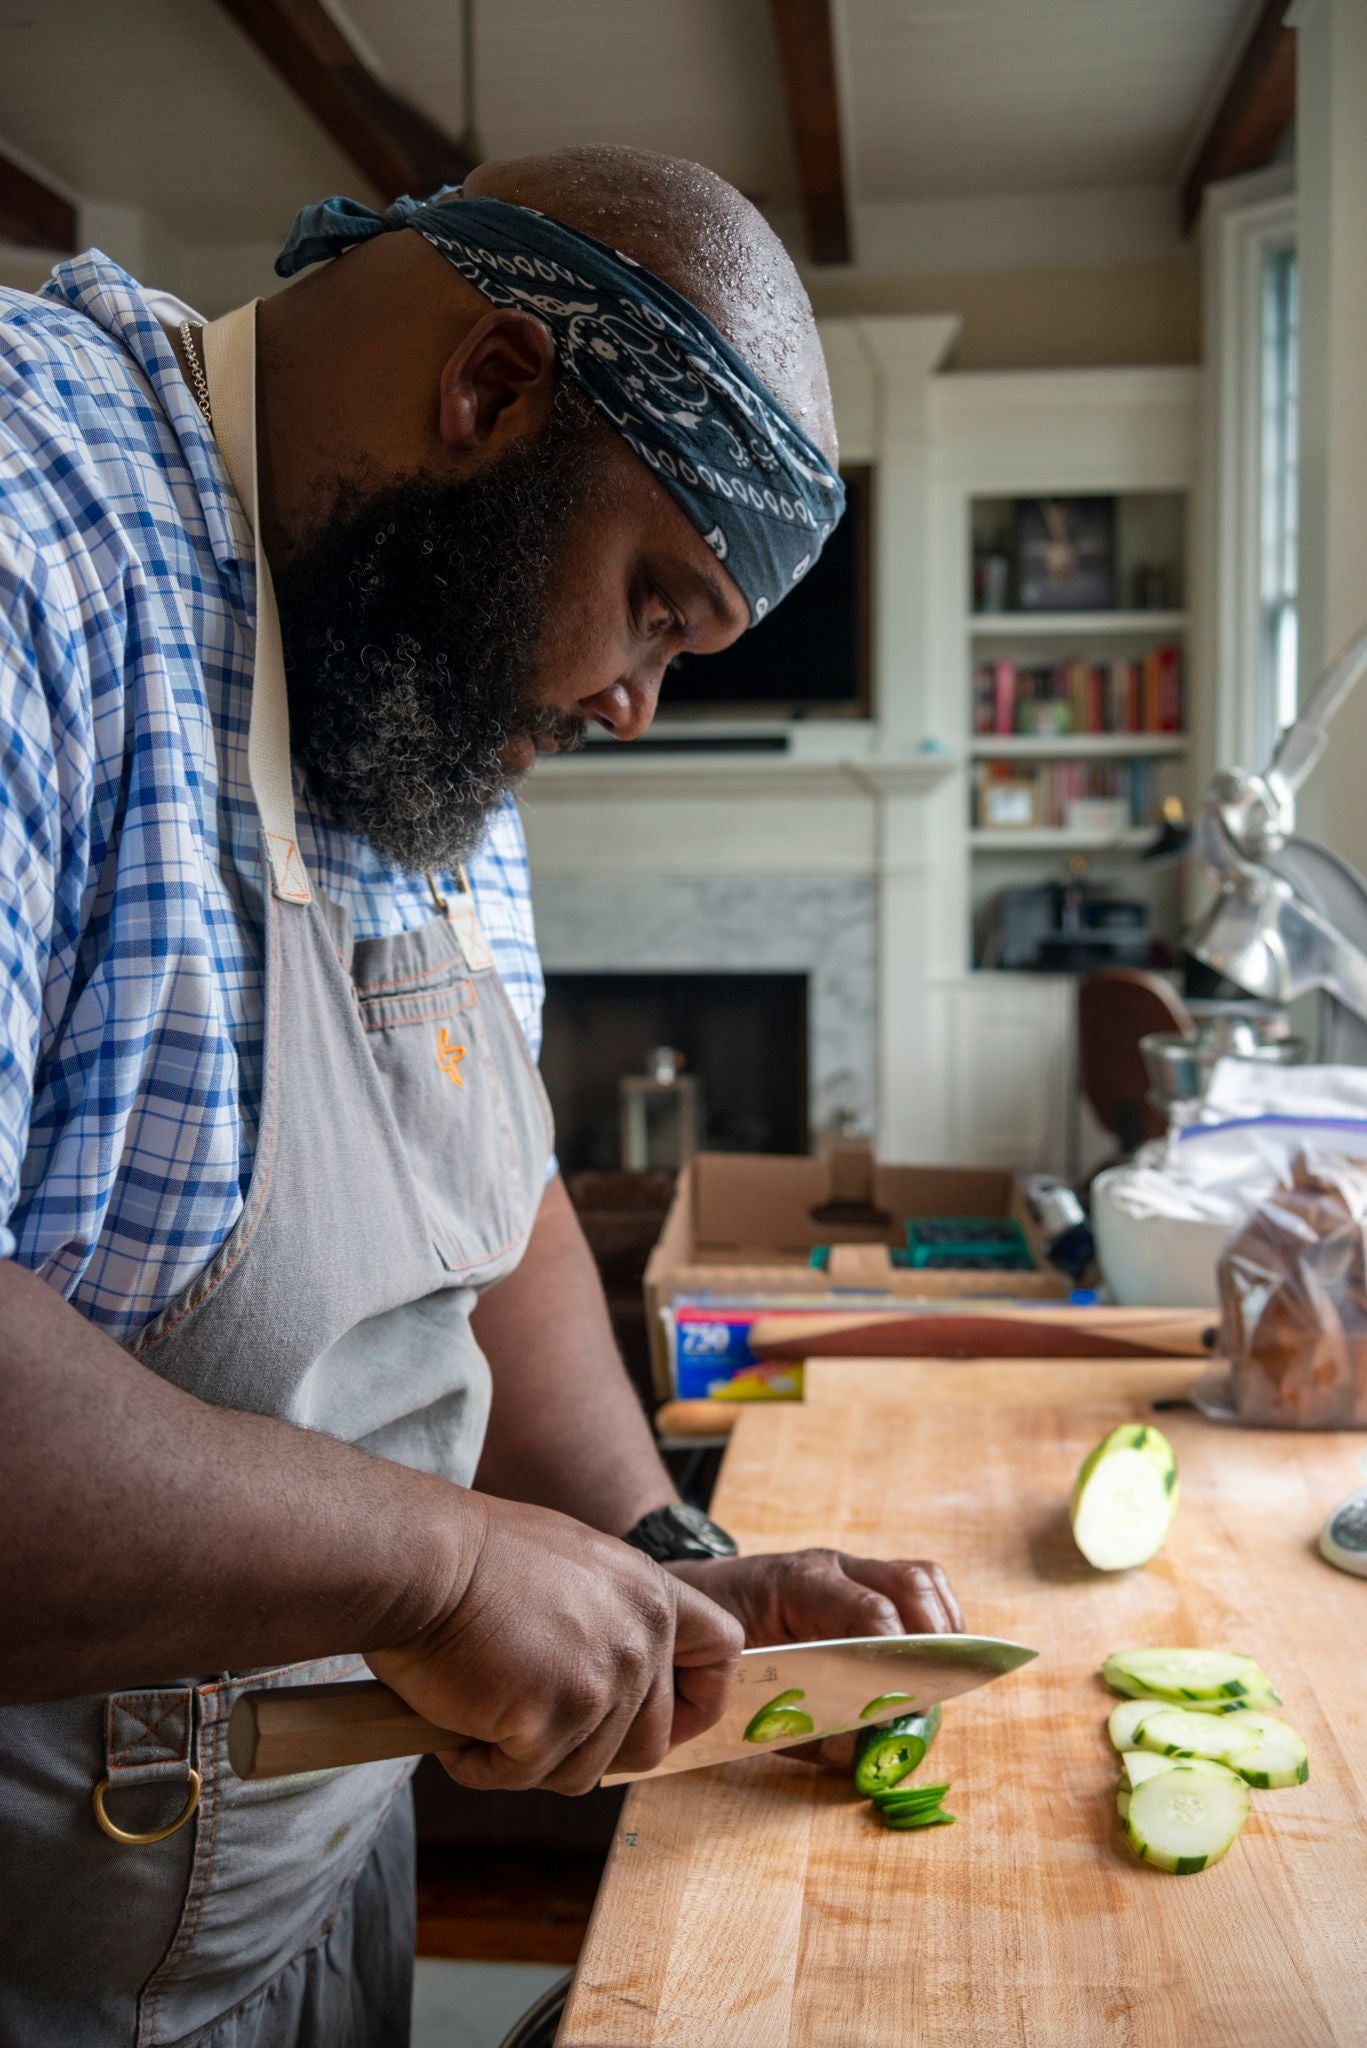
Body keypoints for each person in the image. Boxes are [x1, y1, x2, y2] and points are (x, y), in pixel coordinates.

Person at [0, 146, 962, 2045]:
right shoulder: (40, 537)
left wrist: (657, 1559)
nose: (631, 708)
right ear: (495, 389)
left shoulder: (416, 677)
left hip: (322, 1897)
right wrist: (440, 1562)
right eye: (658, 611)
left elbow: (493, 1199)